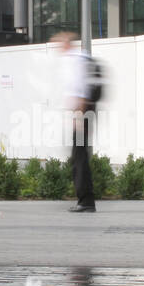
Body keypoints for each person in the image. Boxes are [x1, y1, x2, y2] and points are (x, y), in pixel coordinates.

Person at [53, 31, 96, 213]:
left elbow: (80, 89)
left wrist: (78, 116)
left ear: (66, 44)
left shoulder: (74, 60)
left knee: (79, 156)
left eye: (59, 43)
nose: (58, 47)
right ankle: (85, 200)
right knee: (79, 155)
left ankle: (86, 201)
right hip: (82, 112)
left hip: (82, 114)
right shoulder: (78, 59)